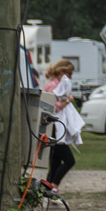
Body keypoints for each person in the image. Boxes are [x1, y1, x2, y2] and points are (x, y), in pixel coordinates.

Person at [40, 57, 84, 189]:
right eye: (69, 73)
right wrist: (68, 100)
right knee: (69, 160)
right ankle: (54, 185)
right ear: (62, 72)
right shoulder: (54, 86)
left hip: (52, 127)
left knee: (55, 161)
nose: (70, 77)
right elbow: (55, 106)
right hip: (55, 128)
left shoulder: (51, 84)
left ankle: (48, 188)